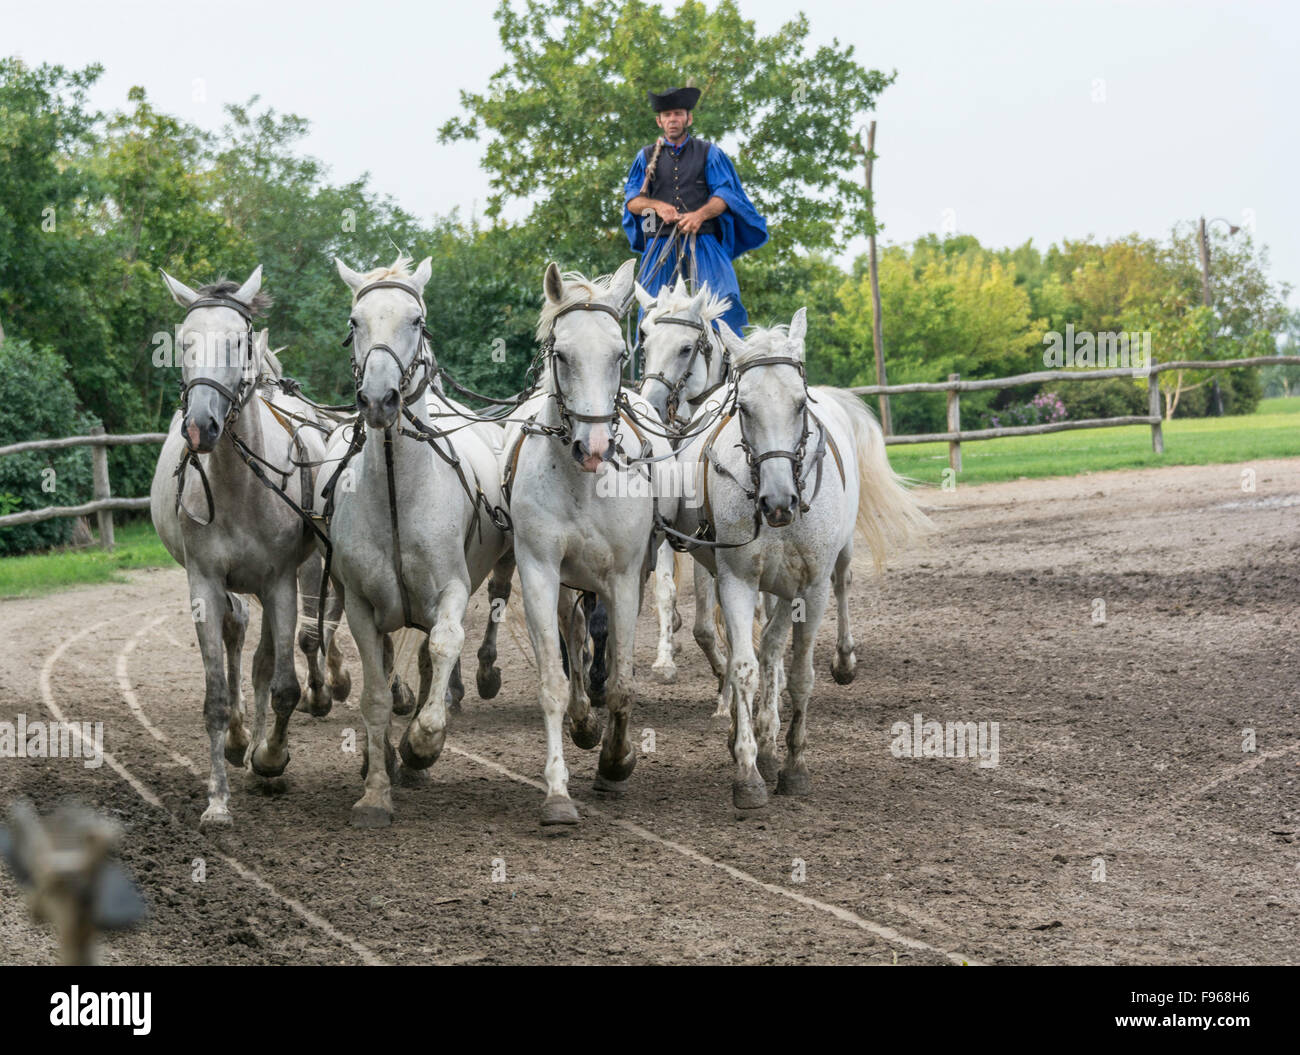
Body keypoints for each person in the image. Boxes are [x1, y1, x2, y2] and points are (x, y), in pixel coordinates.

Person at [622, 86, 767, 335]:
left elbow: (725, 194)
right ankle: (646, 371)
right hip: (660, 245)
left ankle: (731, 368)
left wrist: (699, 215)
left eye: (678, 114)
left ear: (689, 118)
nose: (673, 120)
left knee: (723, 302)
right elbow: (633, 202)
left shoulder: (710, 153)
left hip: (704, 242)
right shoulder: (645, 156)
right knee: (651, 308)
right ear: (659, 121)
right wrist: (658, 206)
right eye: (667, 115)